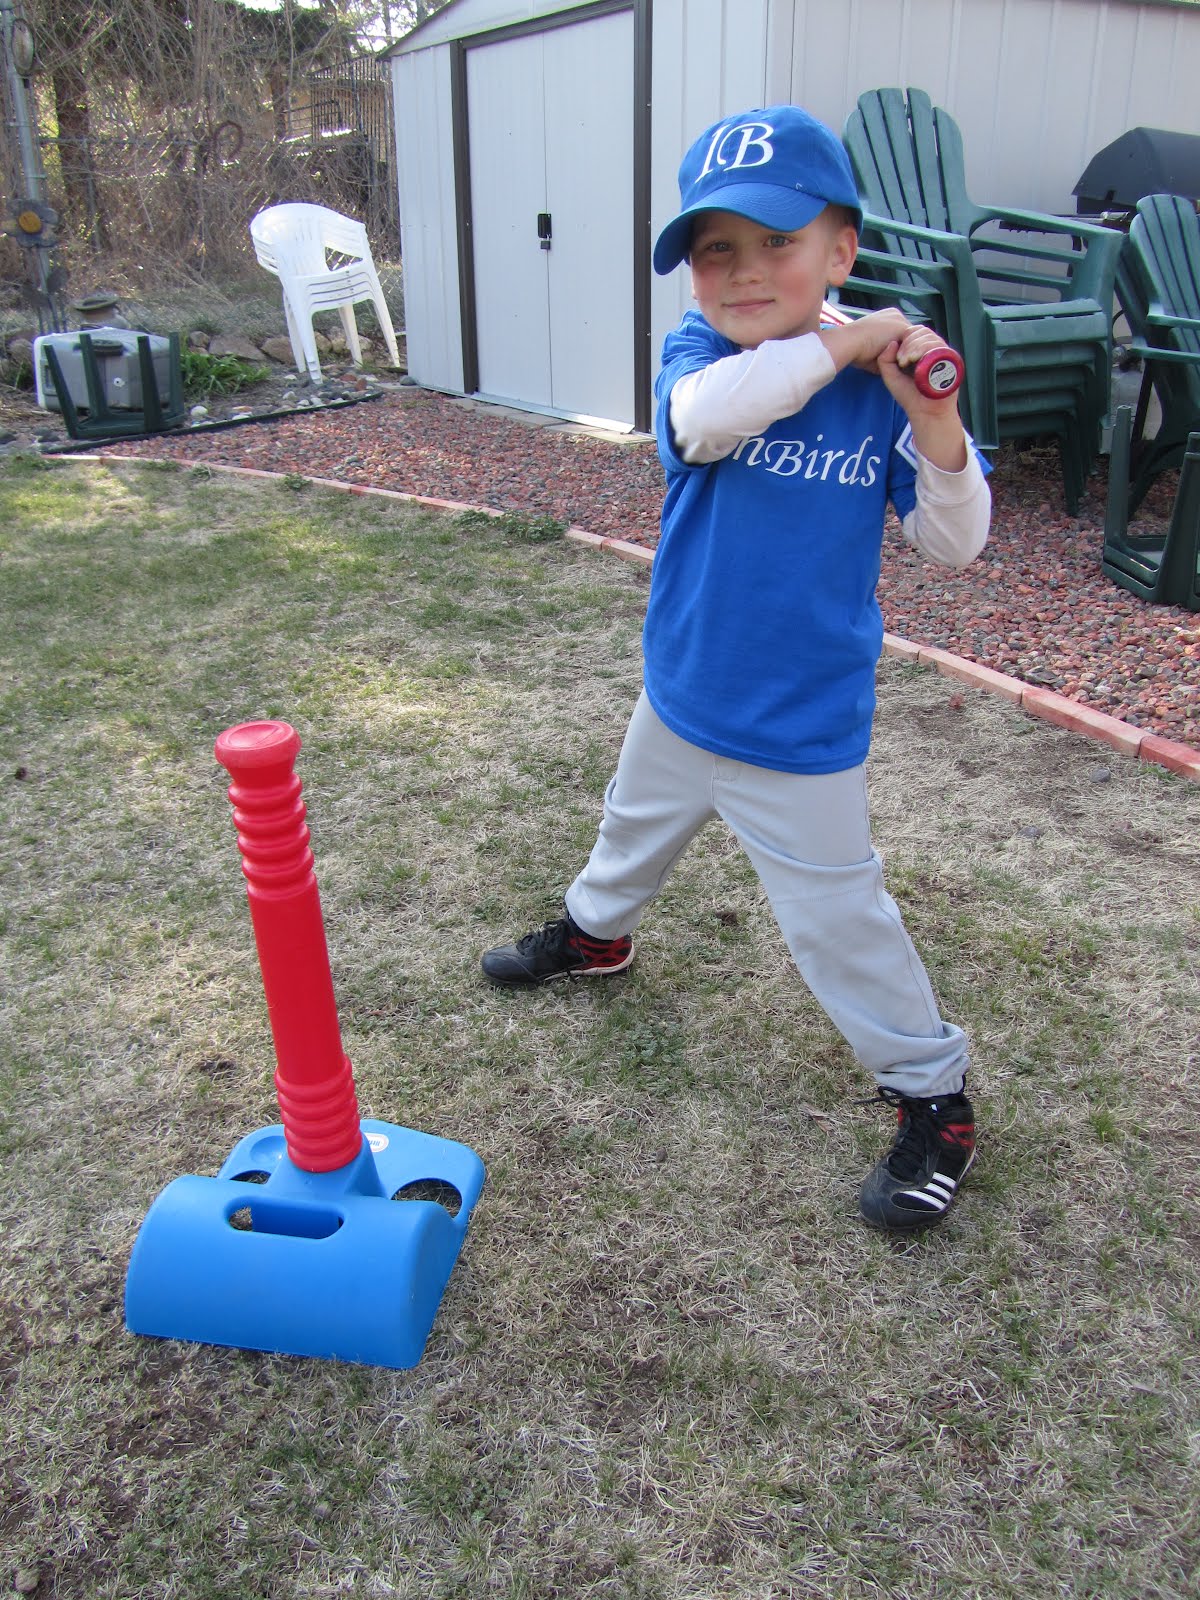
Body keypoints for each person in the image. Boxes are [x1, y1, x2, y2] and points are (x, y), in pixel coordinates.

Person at [481, 104, 991, 1232]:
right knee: (631, 824)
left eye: (779, 243)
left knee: (836, 919)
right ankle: (595, 935)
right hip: (684, 681)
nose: (746, 271)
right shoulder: (704, 351)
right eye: (719, 248)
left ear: (841, 251)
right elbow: (708, 422)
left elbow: (957, 539)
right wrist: (848, 343)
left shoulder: (887, 382)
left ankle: (933, 1094)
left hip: (799, 723)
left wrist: (936, 424)